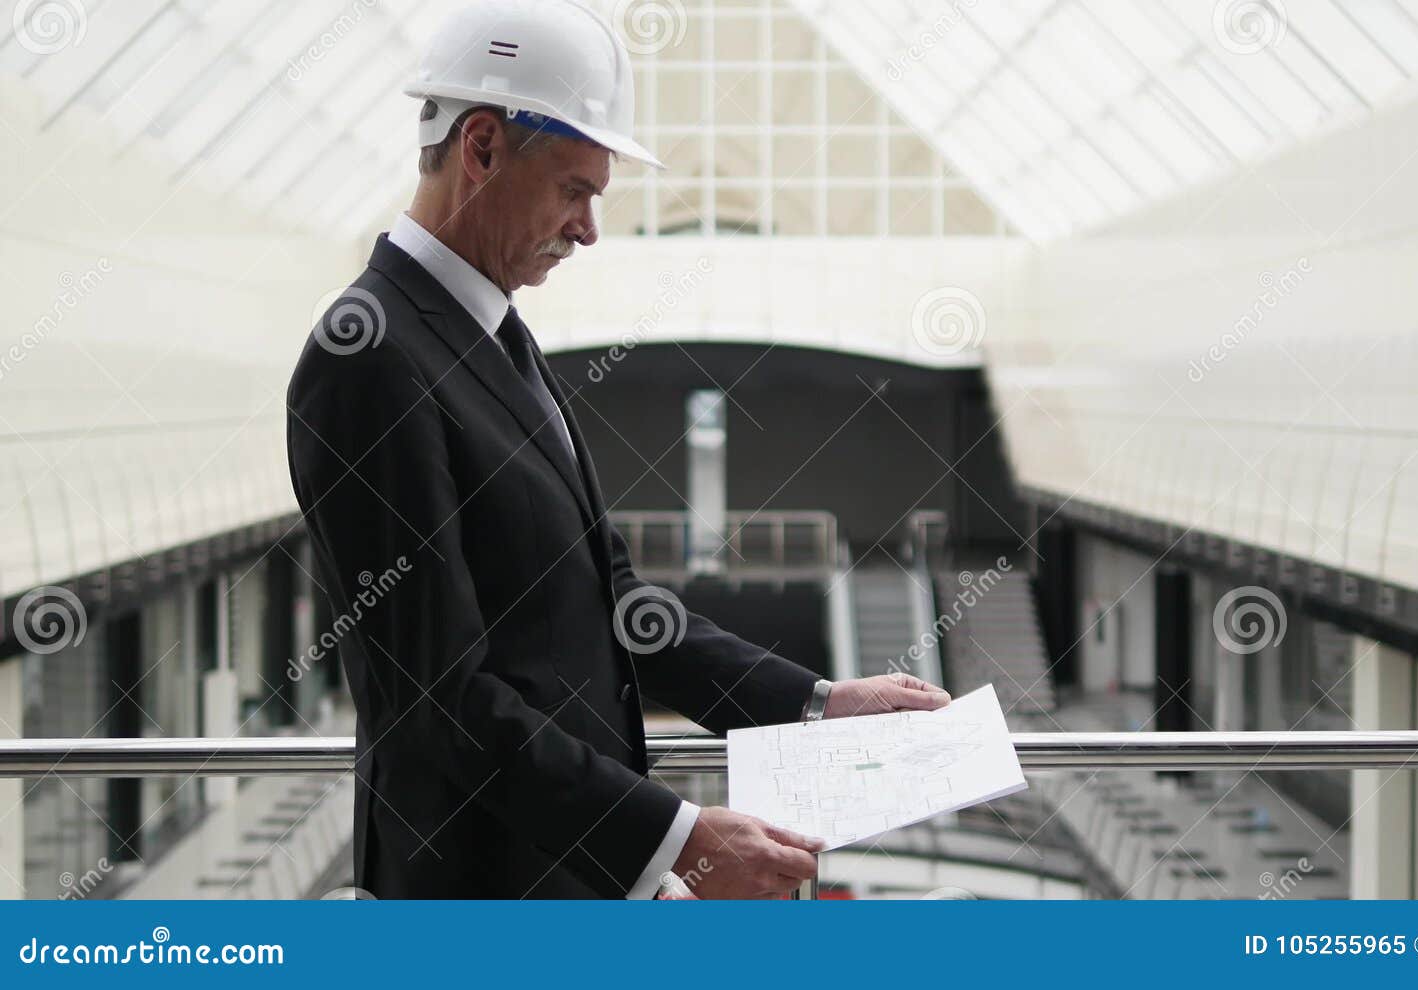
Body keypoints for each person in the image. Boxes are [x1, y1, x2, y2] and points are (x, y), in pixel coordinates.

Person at [285, 0, 949, 899]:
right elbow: (436, 698)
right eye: (574, 190)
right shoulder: (370, 355)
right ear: (480, 147)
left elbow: (615, 600)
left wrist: (816, 704)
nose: (589, 230)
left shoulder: (493, 336)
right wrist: (674, 837)